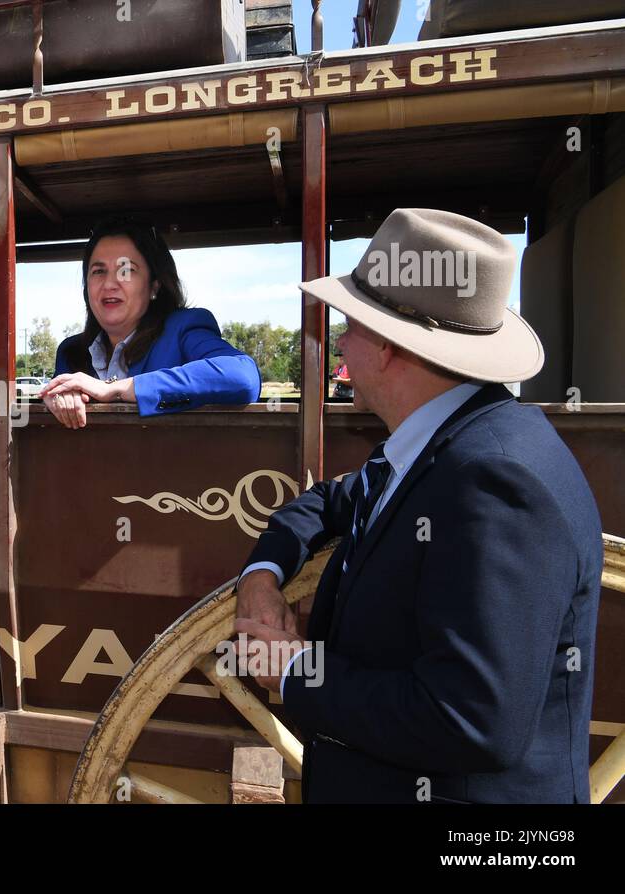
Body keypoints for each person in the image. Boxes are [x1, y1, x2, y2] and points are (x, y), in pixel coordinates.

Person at [233, 208, 602, 803]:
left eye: (349, 322)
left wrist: (296, 670)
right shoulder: (450, 444)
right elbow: (329, 501)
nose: (341, 340)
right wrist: (261, 578)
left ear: (386, 346)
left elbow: (471, 721)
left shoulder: (493, 481)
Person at [41, 216, 260, 428]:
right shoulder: (71, 351)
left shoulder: (183, 329)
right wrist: (59, 396)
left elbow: (242, 376)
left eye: (126, 270)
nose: (109, 283)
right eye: (98, 271)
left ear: (154, 286)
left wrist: (118, 389)